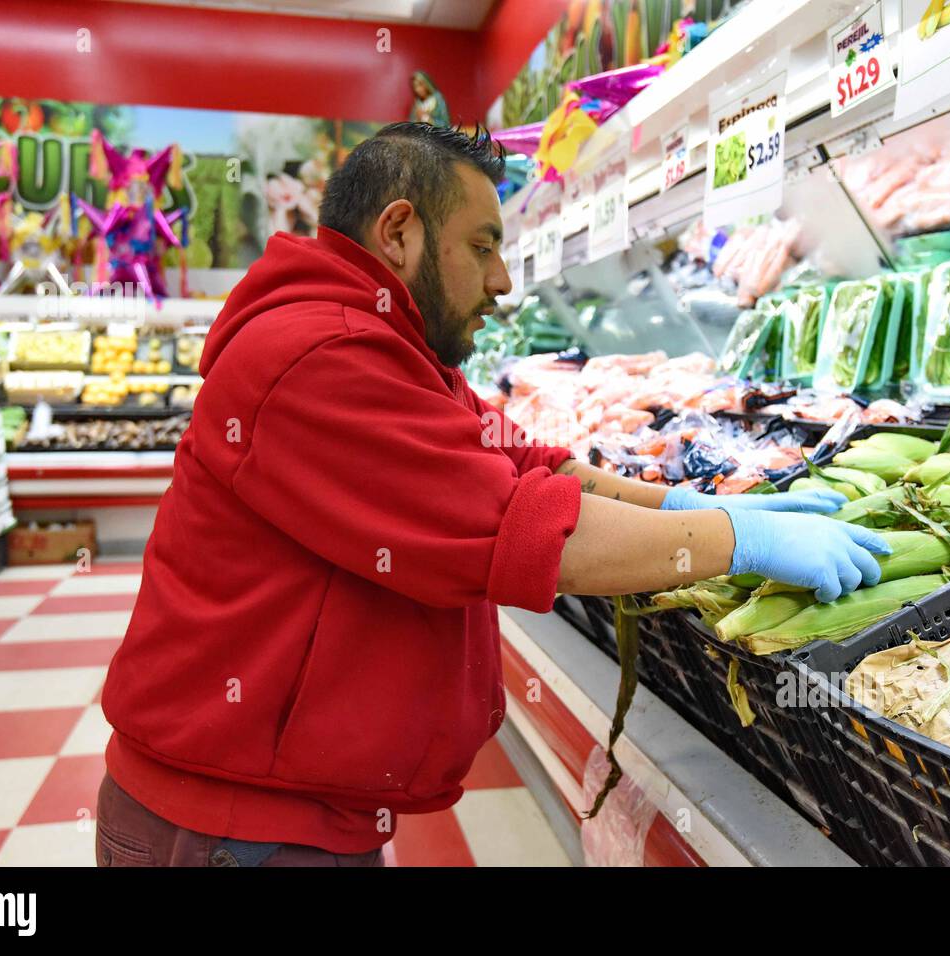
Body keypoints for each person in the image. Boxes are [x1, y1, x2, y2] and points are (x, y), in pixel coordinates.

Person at [95, 123, 887, 867]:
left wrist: (681, 509)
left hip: (282, 814)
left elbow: (528, 465)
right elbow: (532, 532)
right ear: (399, 233)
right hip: (229, 833)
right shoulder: (319, 358)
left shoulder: (383, 345)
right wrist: (732, 541)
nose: (504, 282)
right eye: (483, 247)